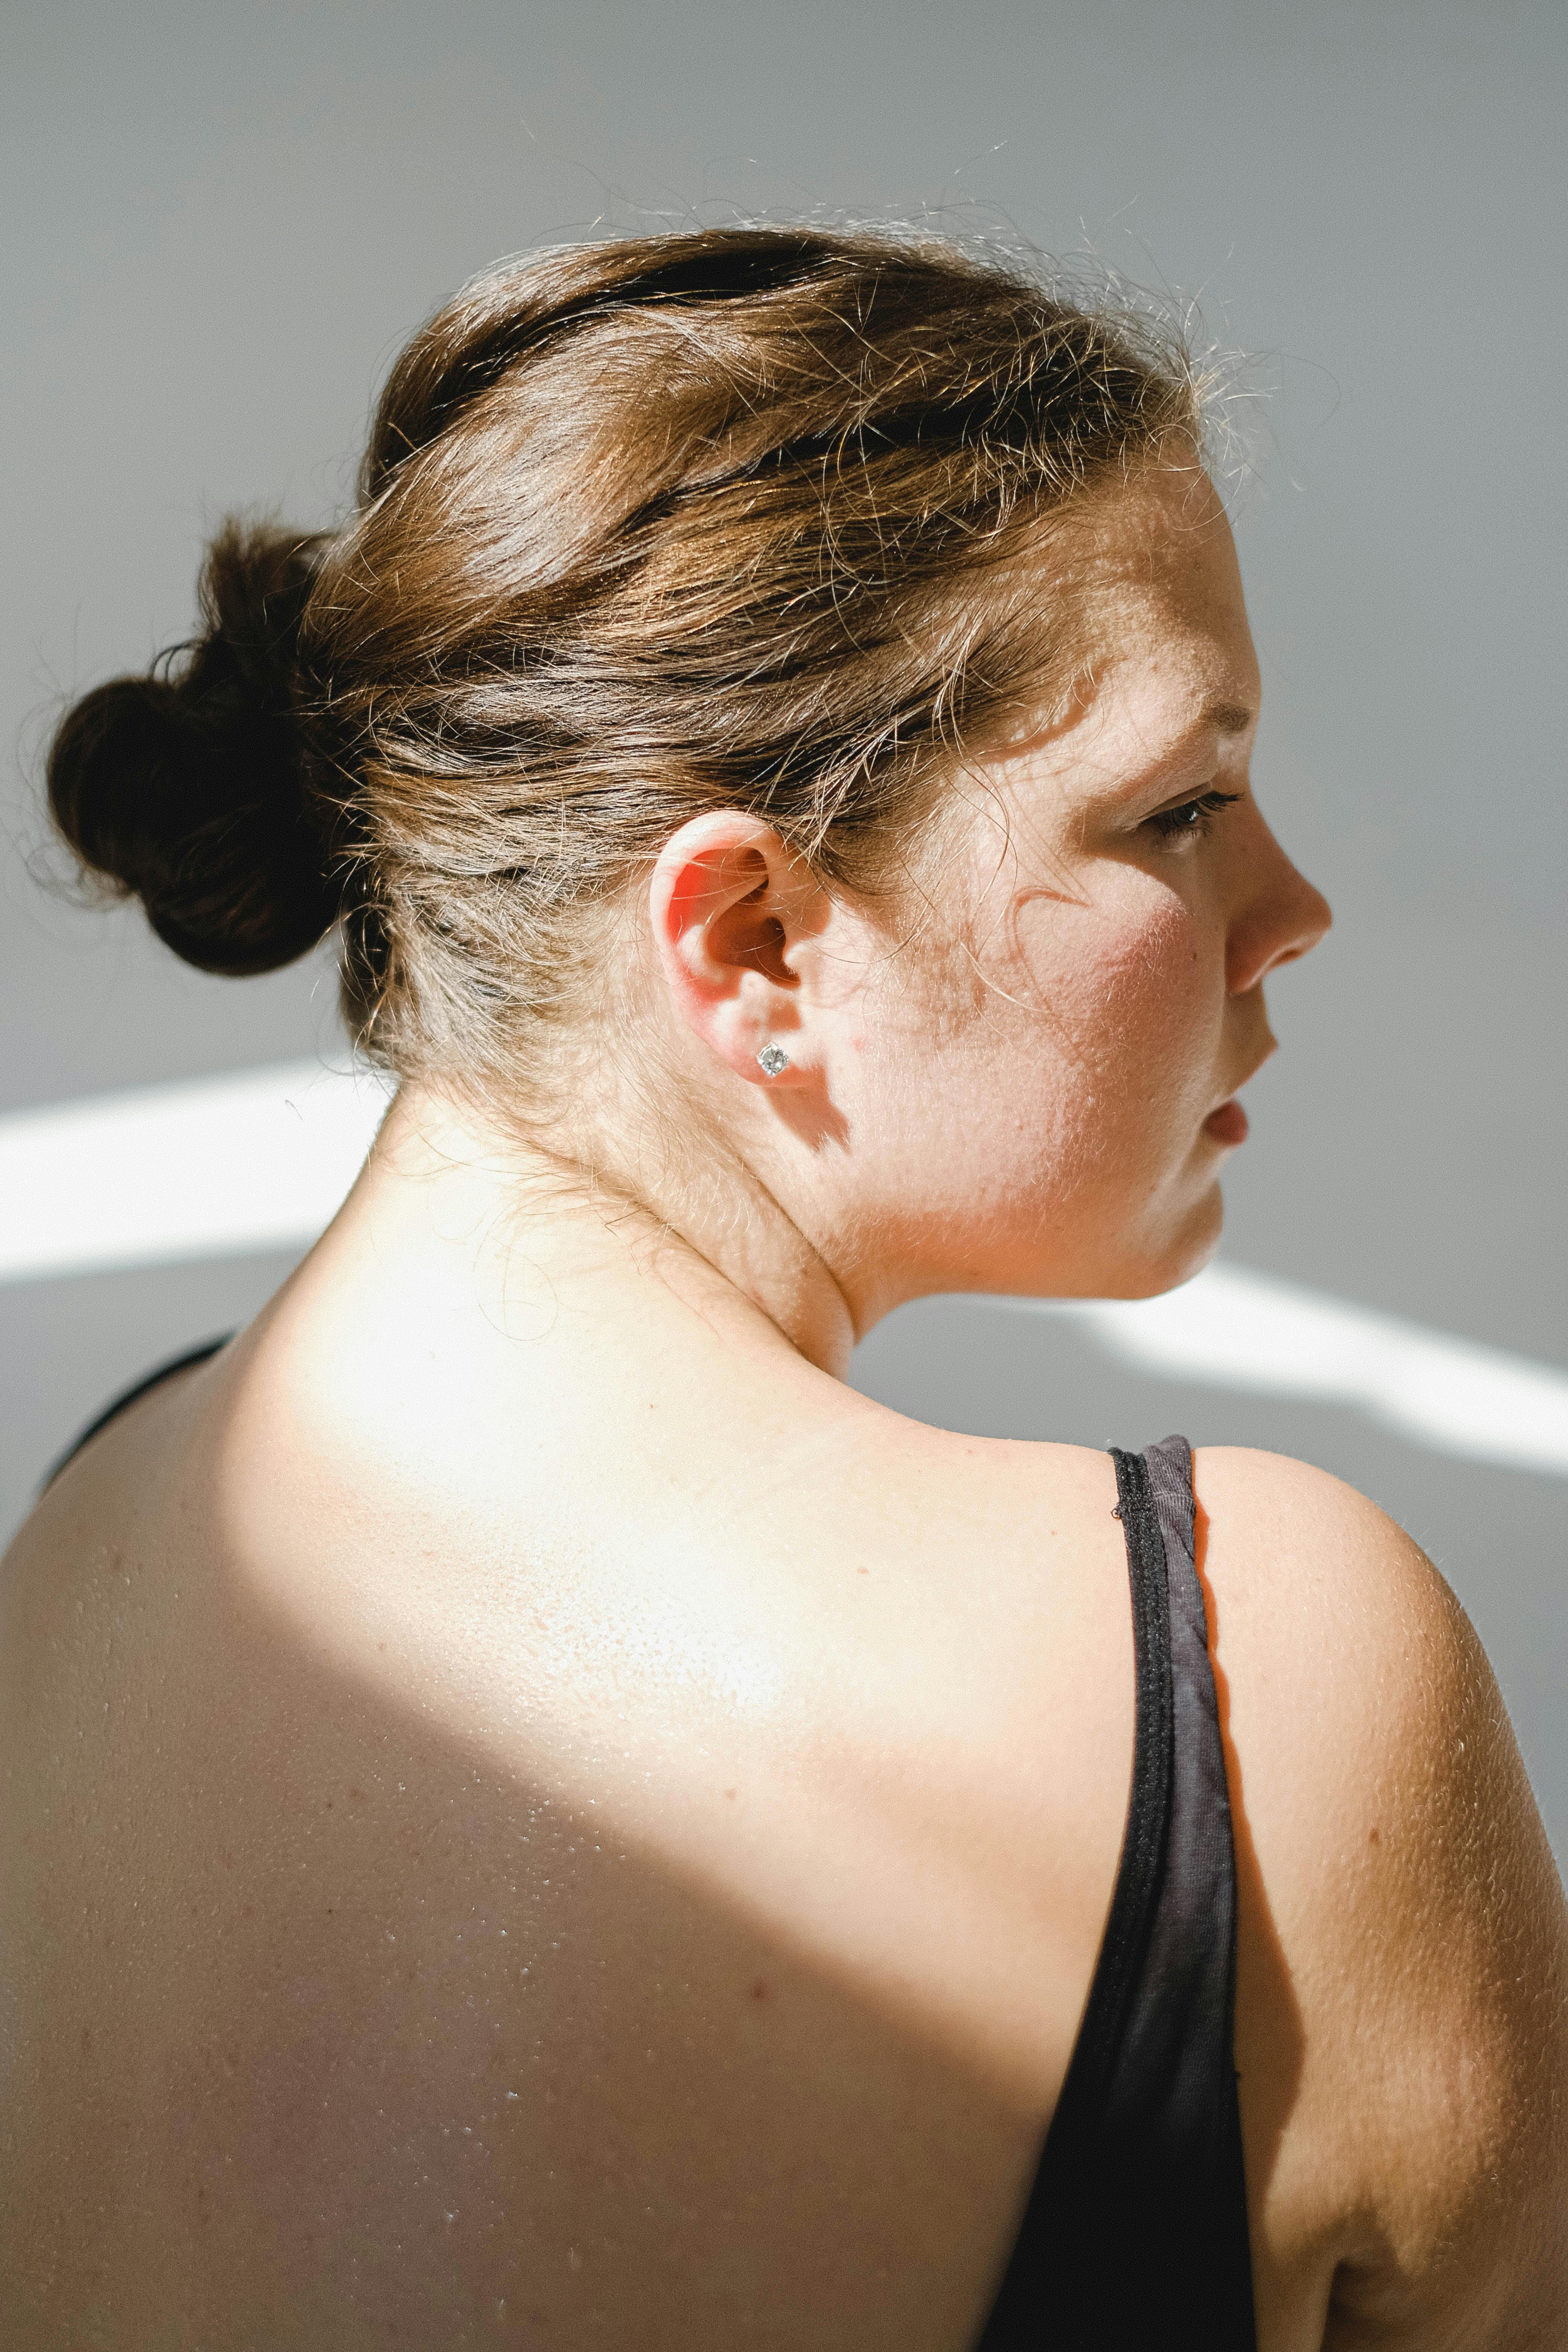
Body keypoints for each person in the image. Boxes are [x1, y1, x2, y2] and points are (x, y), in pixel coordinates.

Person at [3, 227, 1563, 2350]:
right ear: (745, 941)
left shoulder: (86, 1546)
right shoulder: (1250, 1676)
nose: (1287, 909)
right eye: (1181, 806)